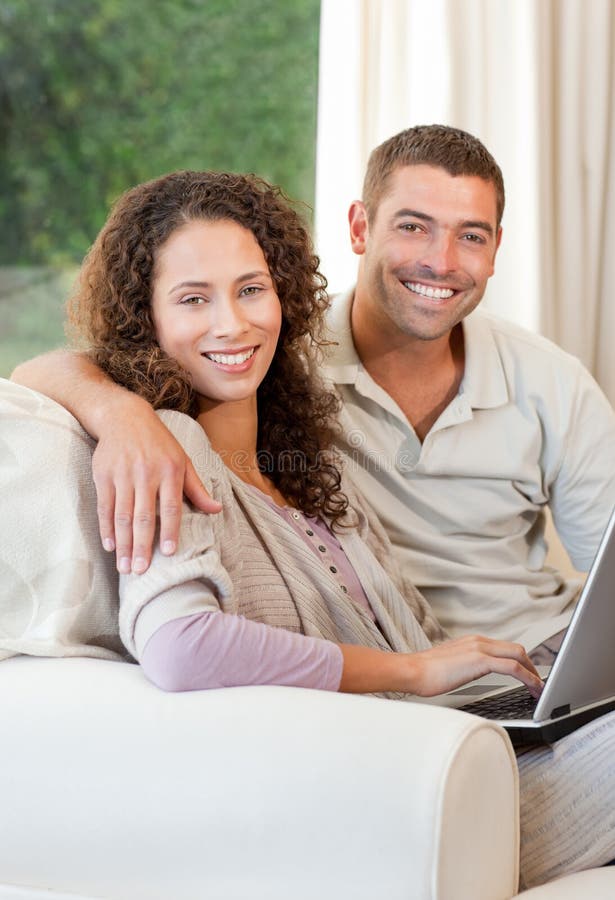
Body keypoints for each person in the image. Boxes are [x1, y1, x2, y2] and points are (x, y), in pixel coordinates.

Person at [18, 168, 615, 890]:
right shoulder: (168, 449)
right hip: (383, 799)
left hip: (453, 747)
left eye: (250, 289)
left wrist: (494, 671)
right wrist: (413, 671)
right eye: (192, 299)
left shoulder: (302, 462)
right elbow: (180, 647)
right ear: (144, 319)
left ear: (284, 293)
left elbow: (412, 640)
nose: (232, 324)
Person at [12, 125, 615, 657]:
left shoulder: (551, 383)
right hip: (431, 682)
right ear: (359, 228)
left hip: (530, 655)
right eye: (413, 227)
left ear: (495, 251)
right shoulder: (270, 357)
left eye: (471, 236)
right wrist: (121, 415)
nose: (441, 260)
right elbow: (49, 372)